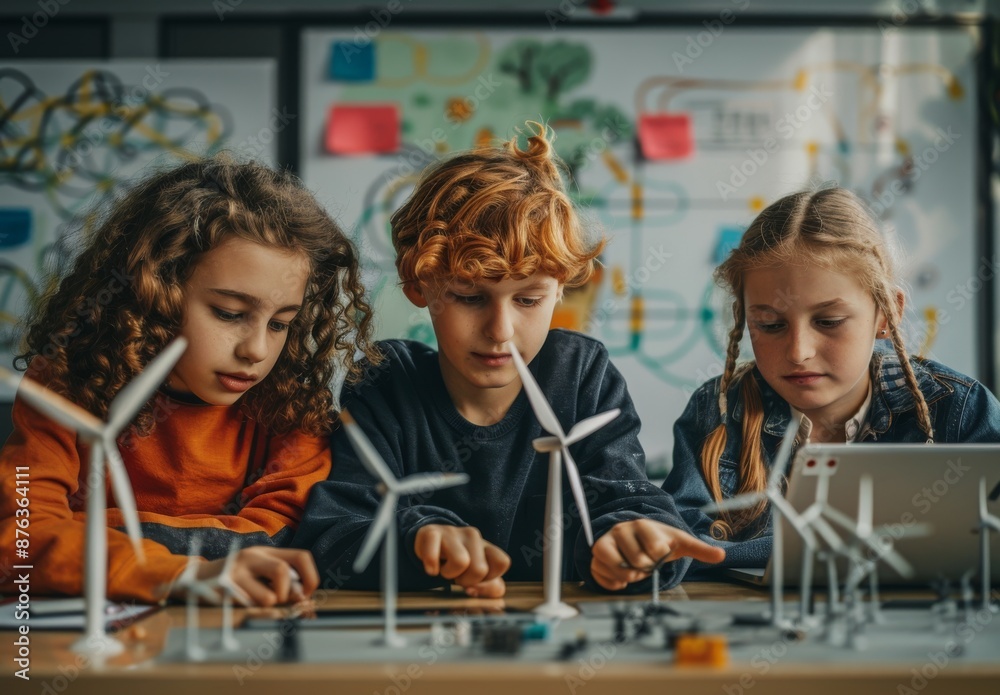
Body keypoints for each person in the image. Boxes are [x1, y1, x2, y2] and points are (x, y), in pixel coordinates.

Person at [294, 122, 723, 598]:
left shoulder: (581, 375)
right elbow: (335, 530)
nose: (500, 332)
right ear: (420, 286)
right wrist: (419, 538)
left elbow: (628, 496)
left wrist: (629, 540)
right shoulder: (384, 380)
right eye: (469, 297)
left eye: (528, 300)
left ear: (560, 286)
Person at [0, 154, 378, 606]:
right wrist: (183, 572)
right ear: (154, 293)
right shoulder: (64, 385)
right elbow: (21, 540)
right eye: (229, 314)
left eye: (279, 323)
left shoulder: (291, 405)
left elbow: (278, 536)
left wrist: (92, 531)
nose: (256, 350)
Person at [663, 187, 1000, 576]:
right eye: (770, 325)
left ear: (886, 314)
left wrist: (796, 547)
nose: (798, 351)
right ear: (744, 318)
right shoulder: (719, 410)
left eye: (828, 322)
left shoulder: (957, 409)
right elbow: (682, 546)